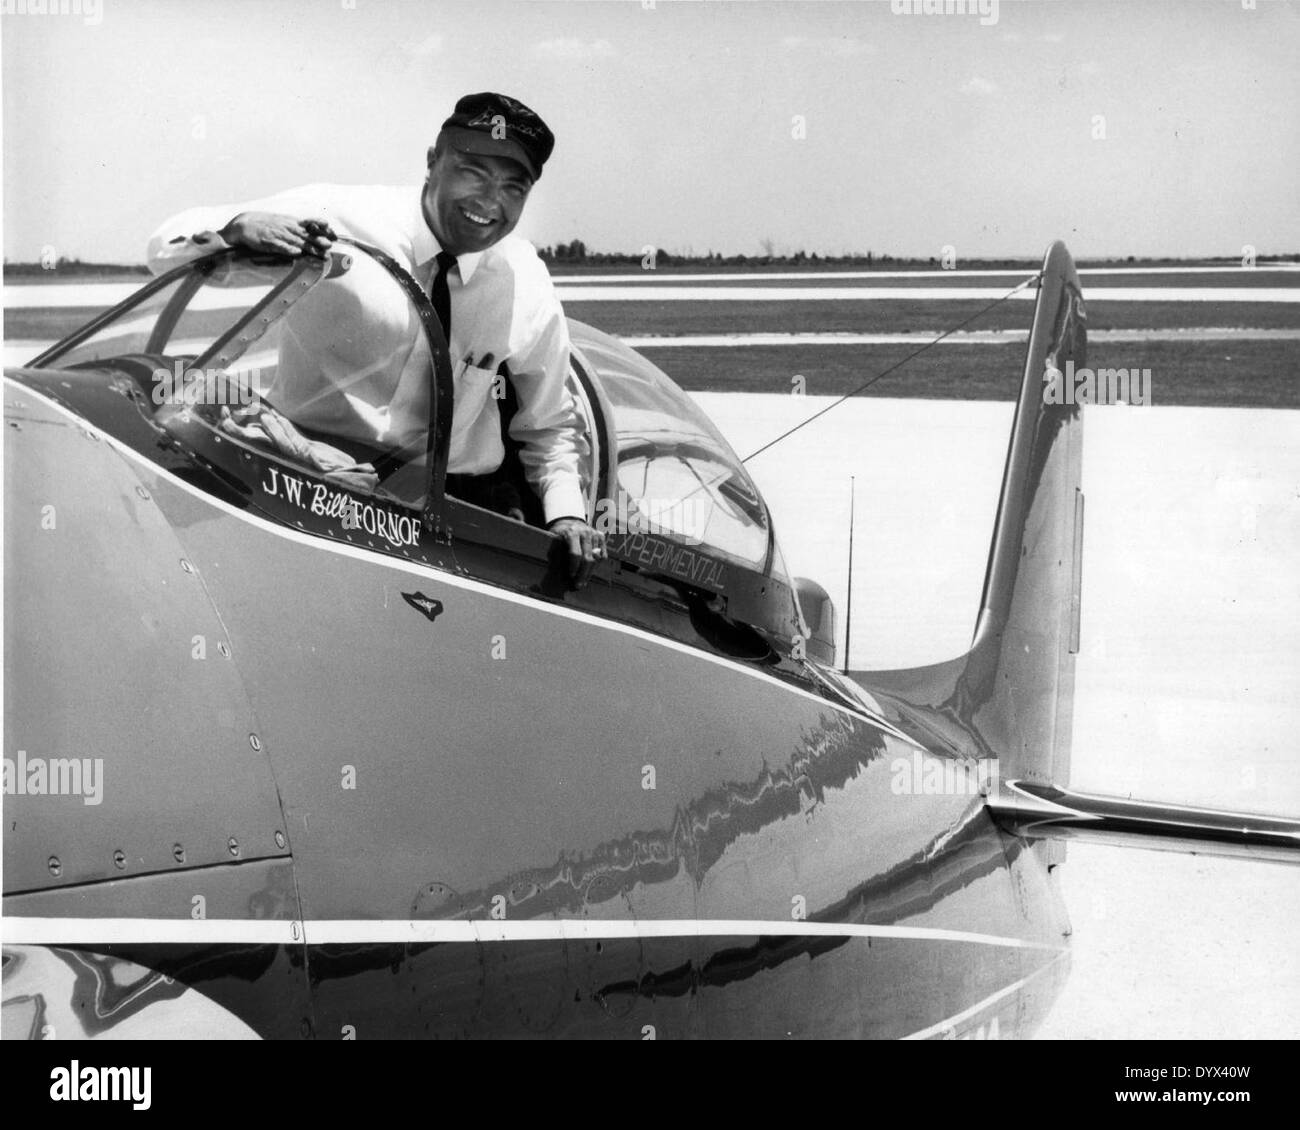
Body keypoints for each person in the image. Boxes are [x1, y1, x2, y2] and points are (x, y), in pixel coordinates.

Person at [146, 92, 604, 586]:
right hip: (304, 479)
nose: (490, 202)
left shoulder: (524, 278)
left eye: (514, 187)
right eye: (474, 172)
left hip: (452, 509)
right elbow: (163, 249)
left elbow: (550, 423)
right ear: (433, 162)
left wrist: (567, 515)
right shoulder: (339, 216)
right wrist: (236, 229)